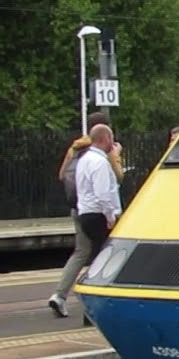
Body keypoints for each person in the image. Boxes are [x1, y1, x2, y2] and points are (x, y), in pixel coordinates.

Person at [49, 113, 123, 319]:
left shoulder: (76, 149)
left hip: (79, 209)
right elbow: (117, 178)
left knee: (82, 253)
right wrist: (116, 156)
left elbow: (62, 175)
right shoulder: (102, 155)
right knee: (104, 257)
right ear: (105, 131)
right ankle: (93, 305)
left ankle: (59, 295)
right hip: (99, 210)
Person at [71, 124, 123, 326]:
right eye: (111, 138)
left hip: (86, 213)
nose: (113, 143)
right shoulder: (100, 163)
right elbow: (103, 193)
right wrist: (111, 215)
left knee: (95, 260)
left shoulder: (84, 160)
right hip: (99, 214)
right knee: (104, 262)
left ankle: (90, 311)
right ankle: (93, 310)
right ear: (105, 139)